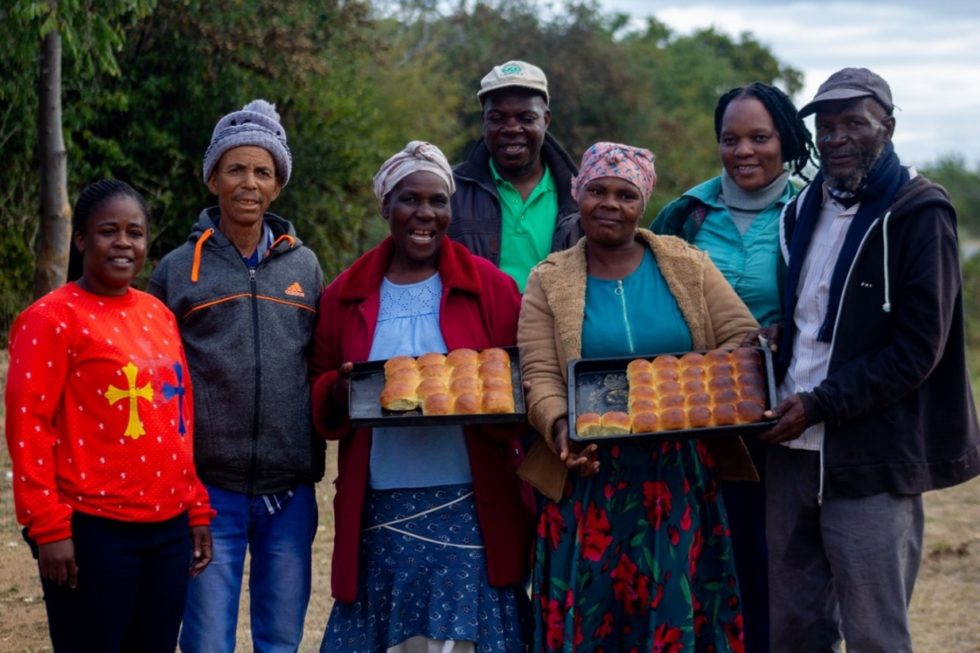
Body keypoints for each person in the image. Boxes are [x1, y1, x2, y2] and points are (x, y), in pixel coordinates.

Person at [759, 67, 980, 652]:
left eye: (854, 123)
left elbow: (919, 348)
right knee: (793, 628)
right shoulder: (801, 209)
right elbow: (814, 319)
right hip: (791, 451)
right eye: (827, 127)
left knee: (875, 633)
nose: (837, 138)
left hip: (871, 455)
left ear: (888, 126)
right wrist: (779, 339)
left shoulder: (919, 212)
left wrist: (822, 404)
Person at [517, 142, 760, 651]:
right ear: (578, 193)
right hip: (591, 475)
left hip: (676, 473)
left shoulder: (686, 264)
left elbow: (741, 337)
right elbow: (539, 373)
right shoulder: (549, 279)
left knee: (671, 608)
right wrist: (561, 427)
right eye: (597, 190)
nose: (610, 204)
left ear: (643, 202)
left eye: (625, 195)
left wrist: (695, 389)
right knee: (593, 615)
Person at [310, 141, 535, 652]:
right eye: (410, 199)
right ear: (385, 206)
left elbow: (519, 378)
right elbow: (318, 382)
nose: (425, 213)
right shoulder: (345, 294)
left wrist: (502, 398)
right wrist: (339, 391)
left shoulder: (491, 288)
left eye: (438, 201)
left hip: (471, 503)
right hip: (381, 506)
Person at [4, 179, 213, 652]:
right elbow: (28, 425)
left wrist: (196, 505)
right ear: (80, 239)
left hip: (169, 529)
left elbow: (179, 419)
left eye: (134, 232)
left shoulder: (158, 314)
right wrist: (47, 526)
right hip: (93, 531)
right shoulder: (51, 318)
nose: (123, 243)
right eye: (108, 231)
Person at [149, 100, 325, 653]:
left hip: (289, 490)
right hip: (207, 489)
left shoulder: (305, 267)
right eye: (236, 169)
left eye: (262, 172)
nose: (249, 183)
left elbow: (319, 362)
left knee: (280, 639)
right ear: (213, 179)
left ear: (278, 186)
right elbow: (155, 374)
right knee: (205, 641)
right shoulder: (178, 269)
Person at [651, 81, 818, 653]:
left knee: (773, 552)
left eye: (759, 138)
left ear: (786, 140)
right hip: (698, 414)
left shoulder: (810, 209)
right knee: (702, 546)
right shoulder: (687, 214)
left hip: (782, 415)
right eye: (730, 139)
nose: (744, 151)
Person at [449, 59, 580, 291]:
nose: (511, 128)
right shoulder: (450, 191)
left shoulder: (580, 195)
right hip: (481, 315)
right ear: (483, 121)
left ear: (545, 120)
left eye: (526, 118)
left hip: (554, 316)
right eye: (497, 118)